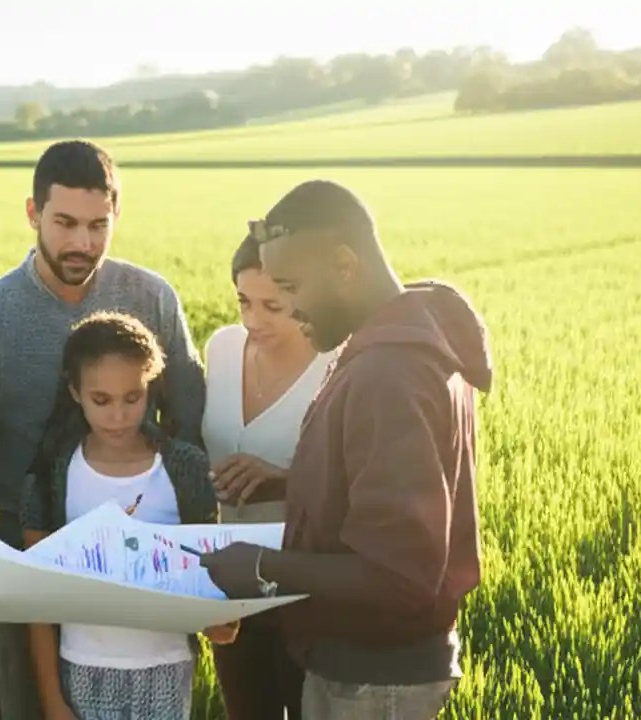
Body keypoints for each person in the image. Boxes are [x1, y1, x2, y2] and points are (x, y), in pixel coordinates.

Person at [200, 180, 493, 720]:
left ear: (343, 264)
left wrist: (261, 565)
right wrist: (290, 483)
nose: (286, 307)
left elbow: (397, 575)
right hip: (367, 669)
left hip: (374, 681)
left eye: (290, 286)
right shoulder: (395, 346)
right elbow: (386, 489)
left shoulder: (390, 374)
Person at [0, 139, 207, 719]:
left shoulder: (152, 297)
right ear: (32, 213)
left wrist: (189, 547)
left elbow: (186, 421)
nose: (82, 242)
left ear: (117, 215)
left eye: (98, 224)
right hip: (27, 552)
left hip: (147, 554)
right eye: (64, 222)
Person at [21, 312, 231, 720]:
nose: (117, 416)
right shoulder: (51, 476)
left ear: (149, 390)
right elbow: (37, 600)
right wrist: (51, 701)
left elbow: (209, 577)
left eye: (132, 398)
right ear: (74, 391)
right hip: (80, 665)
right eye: (101, 400)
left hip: (167, 667)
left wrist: (220, 621)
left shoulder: (185, 468)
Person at [202, 235, 337, 719]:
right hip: (230, 582)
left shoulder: (336, 363)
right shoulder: (220, 347)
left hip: (304, 584)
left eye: (271, 306)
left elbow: (359, 478)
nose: (252, 319)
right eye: (243, 300)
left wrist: (283, 478)